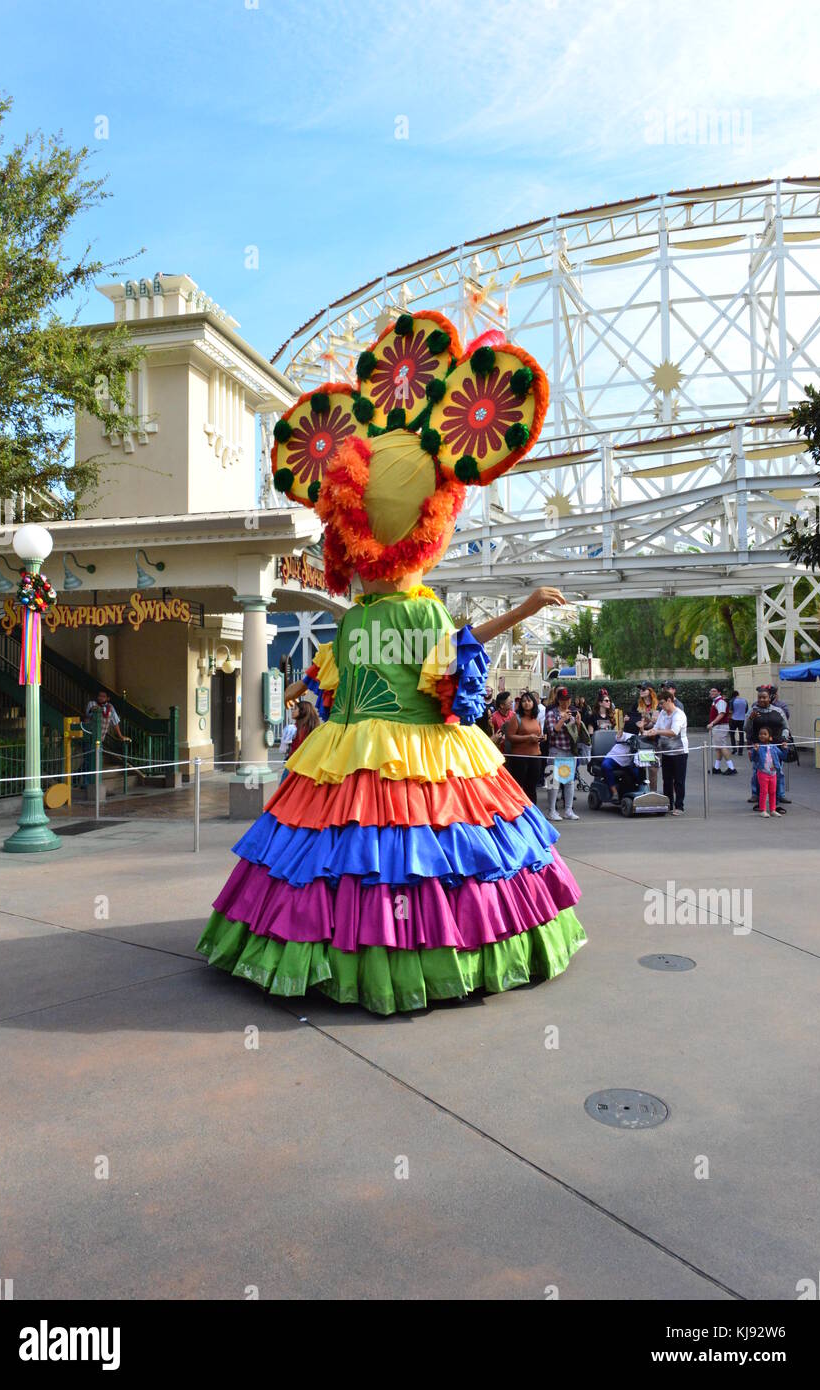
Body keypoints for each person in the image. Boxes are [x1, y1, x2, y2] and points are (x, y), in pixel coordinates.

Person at [196, 310, 586, 1014]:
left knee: (332, 859)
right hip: (424, 750)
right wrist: (524, 610)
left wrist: (300, 700)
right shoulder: (421, 613)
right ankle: (431, 958)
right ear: (430, 528)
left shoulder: (353, 619)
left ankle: (322, 953)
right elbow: (459, 657)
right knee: (432, 859)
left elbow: (334, 682)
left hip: (344, 751)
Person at [543, 686, 589, 821]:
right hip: (556, 750)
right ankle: (552, 810)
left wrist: (578, 723)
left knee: (569, 782)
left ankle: (568, 810)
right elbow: (552, 732)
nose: (566, 702)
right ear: (558, 700)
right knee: (553, 782)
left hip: (570, 751)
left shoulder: (573, 712)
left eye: (568, 699)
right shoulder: (551, 713)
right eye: (563, 699)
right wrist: (562, 719)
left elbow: (578, 734)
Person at [641, 692, 688, 815]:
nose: (661, 706)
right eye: (660, 704)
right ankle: (668, 804)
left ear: (669, 700)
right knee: (666, 780)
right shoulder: (662, 713)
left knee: (679, 780)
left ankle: (679, 806)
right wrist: (648, 732)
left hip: (679, 752)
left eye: (662, 703)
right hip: (666, 751)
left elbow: (674, 732)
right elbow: (656, 727)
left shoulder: (679, 714)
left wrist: (657, 732)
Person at [744, 688, 790, 813]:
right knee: (758, 773)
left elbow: (786, 727)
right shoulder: (752, 711)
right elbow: (746, 729)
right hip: (759, 748)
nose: (761, 699)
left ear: (769, 698)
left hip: (776, 746)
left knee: (778, 772)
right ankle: (759, 799)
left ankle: (778, 799)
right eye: (759, 697)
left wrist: (784, 738)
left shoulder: (778, 711)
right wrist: (750, 719)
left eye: (764, 697)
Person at [504, 690, 543, 802]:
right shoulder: (516, 718)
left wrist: (540, 738)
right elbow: (510, 736)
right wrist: (528, 738)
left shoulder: (536, 718)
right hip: (520, 757)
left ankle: (532, 808)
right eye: (524, 701)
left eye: (529, 701)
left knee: (532, 787)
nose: (527, 703)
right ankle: (519, 808)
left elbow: (539, 733)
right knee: (519, 786)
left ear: (534, 703)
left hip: (535, 755)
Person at [600, 718, 644, 802]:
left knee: (639, 773)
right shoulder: (624, 732)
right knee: (605, 765)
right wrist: (623, 724)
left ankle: (640, 792)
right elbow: (618, 737)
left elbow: (644, 739)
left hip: (629, 761)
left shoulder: (639, 733)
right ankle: (614, 792)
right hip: (615, 757)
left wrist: (641, 728)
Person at [750, 727, 784, 818]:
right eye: (760, 734)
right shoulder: (758, 747)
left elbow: (783, 756)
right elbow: (753, 759)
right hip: (762, 773)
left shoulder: (774, 747)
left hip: (773, 773)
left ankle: (773, 810)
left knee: (773, 792)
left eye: (765, 734)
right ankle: (763, 810)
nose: (762, 735)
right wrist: (755, 751)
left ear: (770, 737)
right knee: (763, 791)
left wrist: (784, 748)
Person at [707, 686, 735, 774]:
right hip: (718, 726)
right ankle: (717, 767)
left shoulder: (720, 701)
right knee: (718, 747)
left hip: (720, 726)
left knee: (722, 746)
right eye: (711, 691)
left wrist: (712, 723)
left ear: (719, 692)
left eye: (714, 691)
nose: (712, 692)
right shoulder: (716, 701)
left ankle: (731, 768)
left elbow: (721, 714)